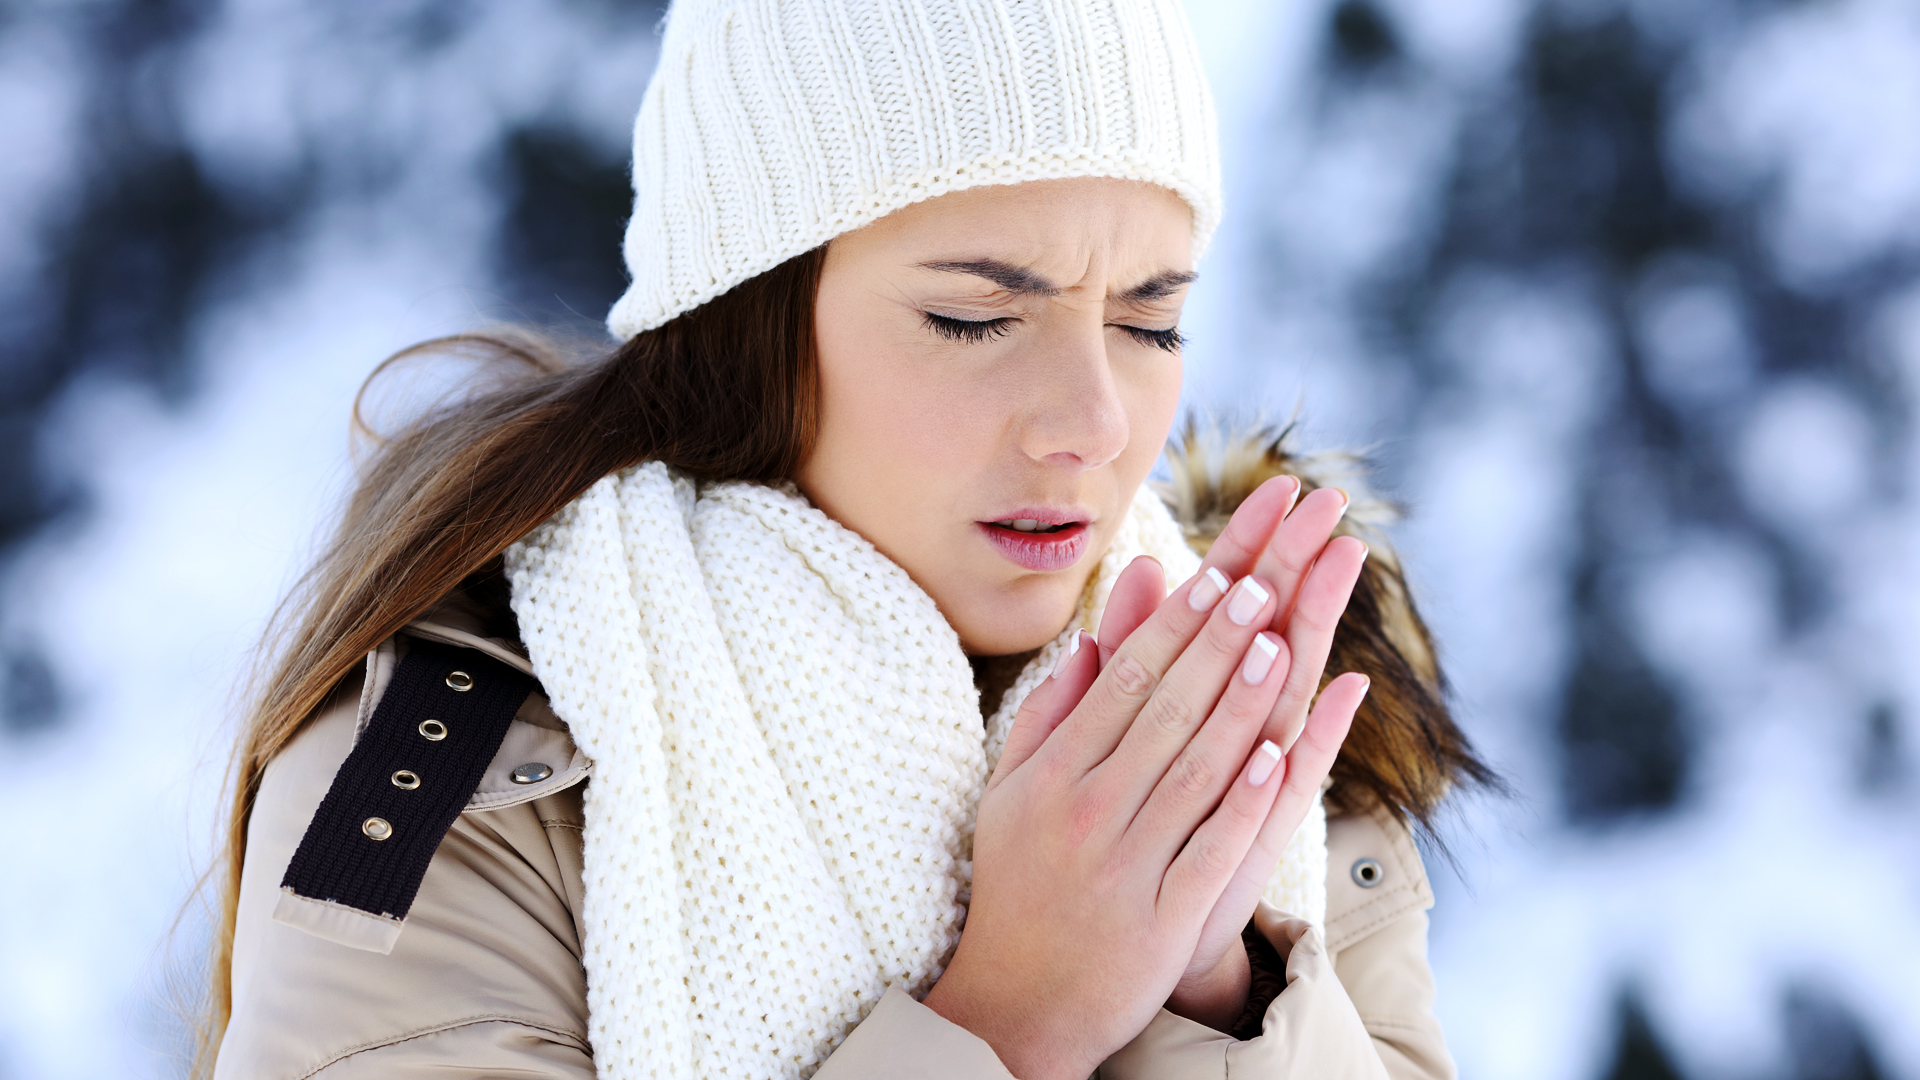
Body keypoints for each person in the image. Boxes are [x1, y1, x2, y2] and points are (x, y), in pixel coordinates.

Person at [204, 0, 1493, 1077]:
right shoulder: (466, 780)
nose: (1096, 423)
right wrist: (1016, 1019)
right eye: (977, 319)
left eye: (1150, 323)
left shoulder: (1265, 737)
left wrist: (1219, 990)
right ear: (748, 321)